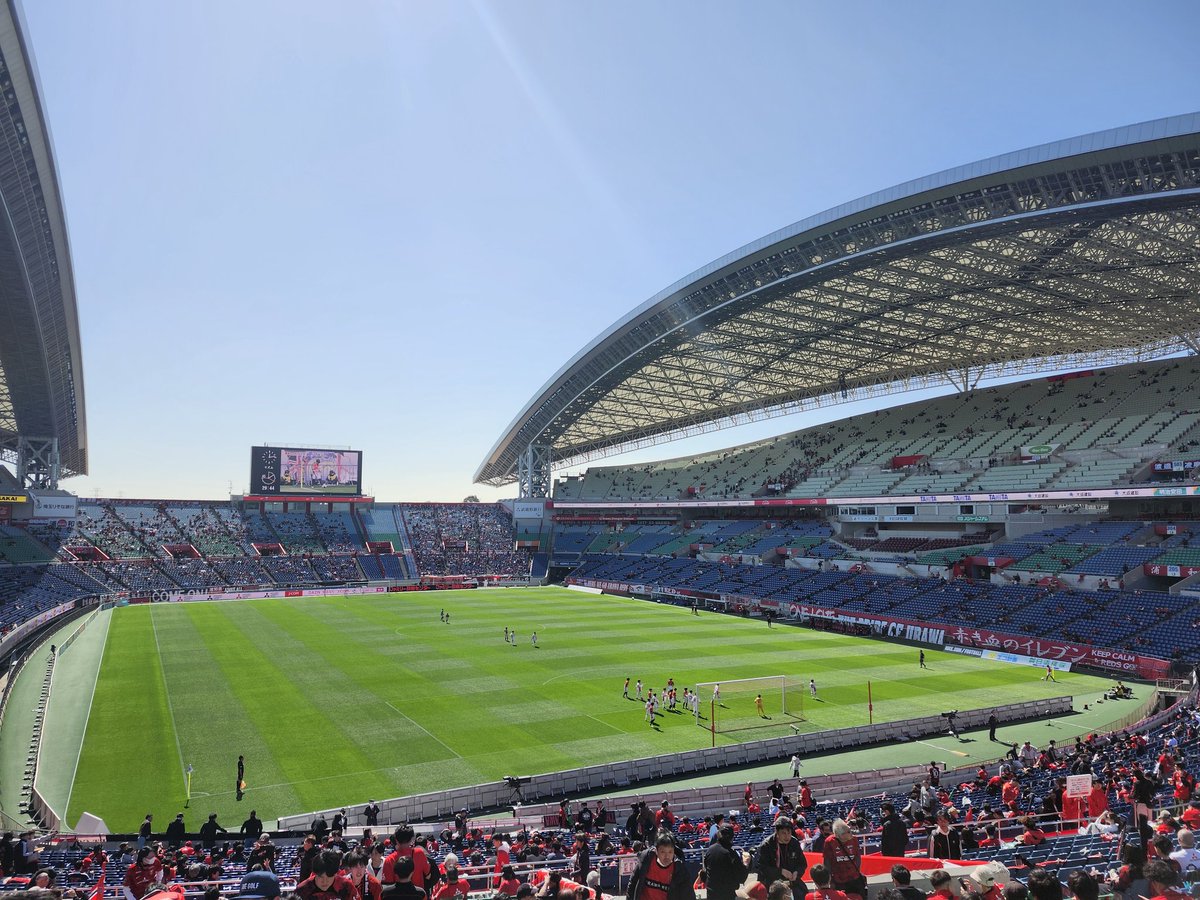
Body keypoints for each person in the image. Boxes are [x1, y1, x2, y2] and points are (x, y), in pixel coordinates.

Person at [625, 832, 696, 900]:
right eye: (663, 852)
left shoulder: (679, 870)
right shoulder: (646, 860)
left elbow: (688, 895)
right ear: (656, 851)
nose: (667, 856)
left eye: (670, 852)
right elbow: (632, 884)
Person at [755, 816, 808, 900]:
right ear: (777, 832)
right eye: (783, 833)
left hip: (792, 882)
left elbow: (802, 863)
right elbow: (762, 868)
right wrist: (780, 871)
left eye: (789, 833)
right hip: (773, 884)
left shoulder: (794, 843)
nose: (787, 836)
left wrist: (797, 872)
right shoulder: (766, 845)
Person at [703, 825, 749, 900]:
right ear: (732, 837)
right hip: (727, 894)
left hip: (711, 893)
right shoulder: (731, 854)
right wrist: (746, 863)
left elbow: (706, 869)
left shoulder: (710, 850)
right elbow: (741, 878)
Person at [823, 819, 864, 899]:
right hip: (839, 880)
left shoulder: (854, 840)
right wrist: (830, 881)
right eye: (848, 832)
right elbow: (827, 863)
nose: (851, 832)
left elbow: (857, 857)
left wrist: (857, 871)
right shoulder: (829, 842)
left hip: (854, 878)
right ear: (839, 835)